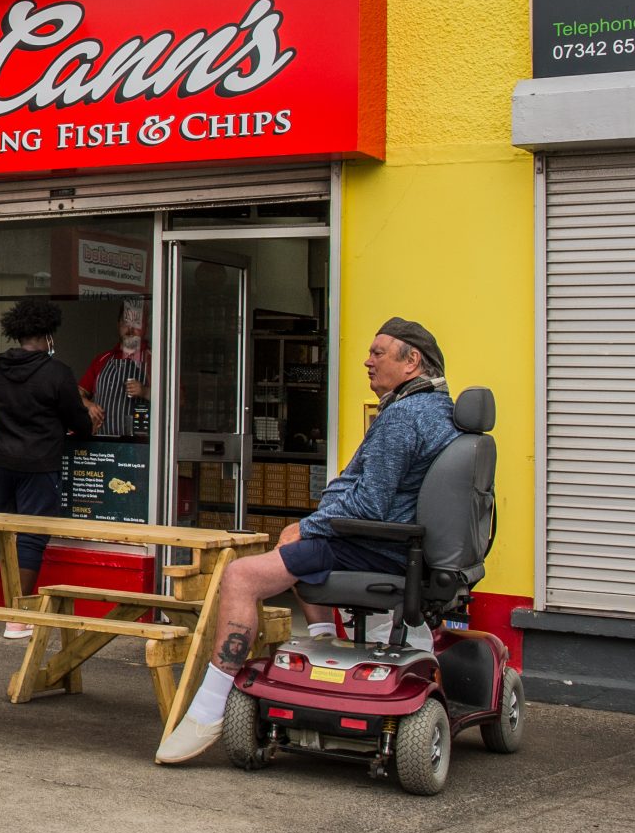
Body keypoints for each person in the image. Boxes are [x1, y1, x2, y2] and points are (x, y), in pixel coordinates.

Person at [157, 317, 460, 765]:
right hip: (397, 545)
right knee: (293, 543)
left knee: (242, 576)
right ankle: (324, 645)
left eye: (378, 353)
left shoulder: (402, 417)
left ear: (411, 360)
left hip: (373, 545)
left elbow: (371, 504)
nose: (367, 361)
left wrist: (315, 521)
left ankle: (209, 710)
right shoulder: (438, 408)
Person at [0, 299, 93, 638]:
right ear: (47, 334)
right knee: (31, 537)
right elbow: (79, 423)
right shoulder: (57, 373)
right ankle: (17, 618)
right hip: (39, 466)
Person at [80, 305, 150, 437]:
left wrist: (146, 392)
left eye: (136, 323)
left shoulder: (155, 361)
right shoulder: (102, 359)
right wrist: (88, 405)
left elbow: (177, 400)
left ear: (146, 326)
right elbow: (77, 394)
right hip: (104, 444)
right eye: (126, 322)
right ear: (118, 325)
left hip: (142, 446)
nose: (130, 329)